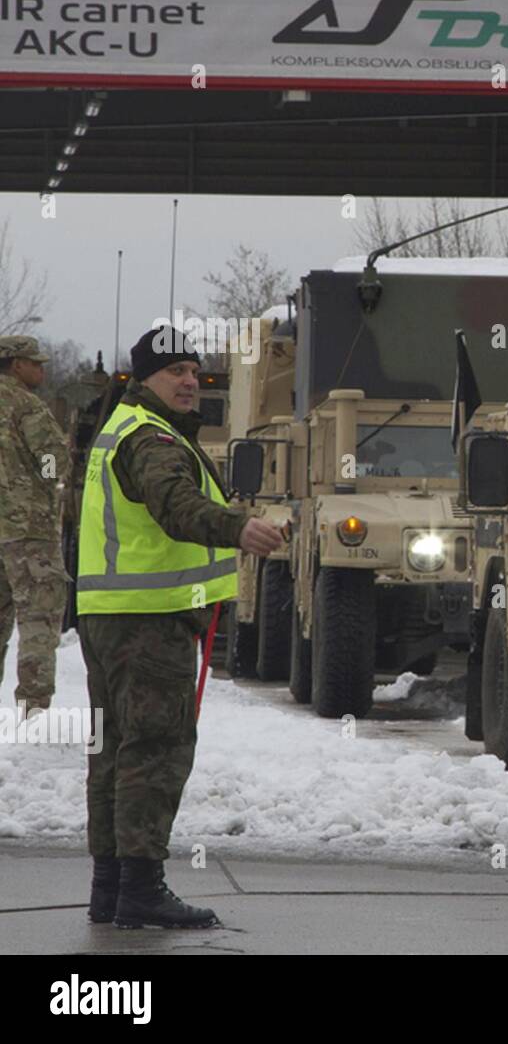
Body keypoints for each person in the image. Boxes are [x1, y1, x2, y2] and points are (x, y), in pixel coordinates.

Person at [78, 326, 282, 929]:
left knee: (114, 751)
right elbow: (173, 504)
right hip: (147, 622)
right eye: (176, 372)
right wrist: (237, 528)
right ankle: (140, 890)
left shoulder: (121, 428)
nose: (190, 381)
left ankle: (111, 889)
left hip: (112, 618)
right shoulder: (151, 438)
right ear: (146, 380)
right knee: (157, 749)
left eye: (194, 370)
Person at [0, 334, 70, 721]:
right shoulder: (27, 405)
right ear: (15, 365)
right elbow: (53, 463)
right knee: (37, 621)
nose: (41, 369)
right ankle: (33, 712)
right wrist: (48, 478)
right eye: (35, 363)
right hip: (27, 530)